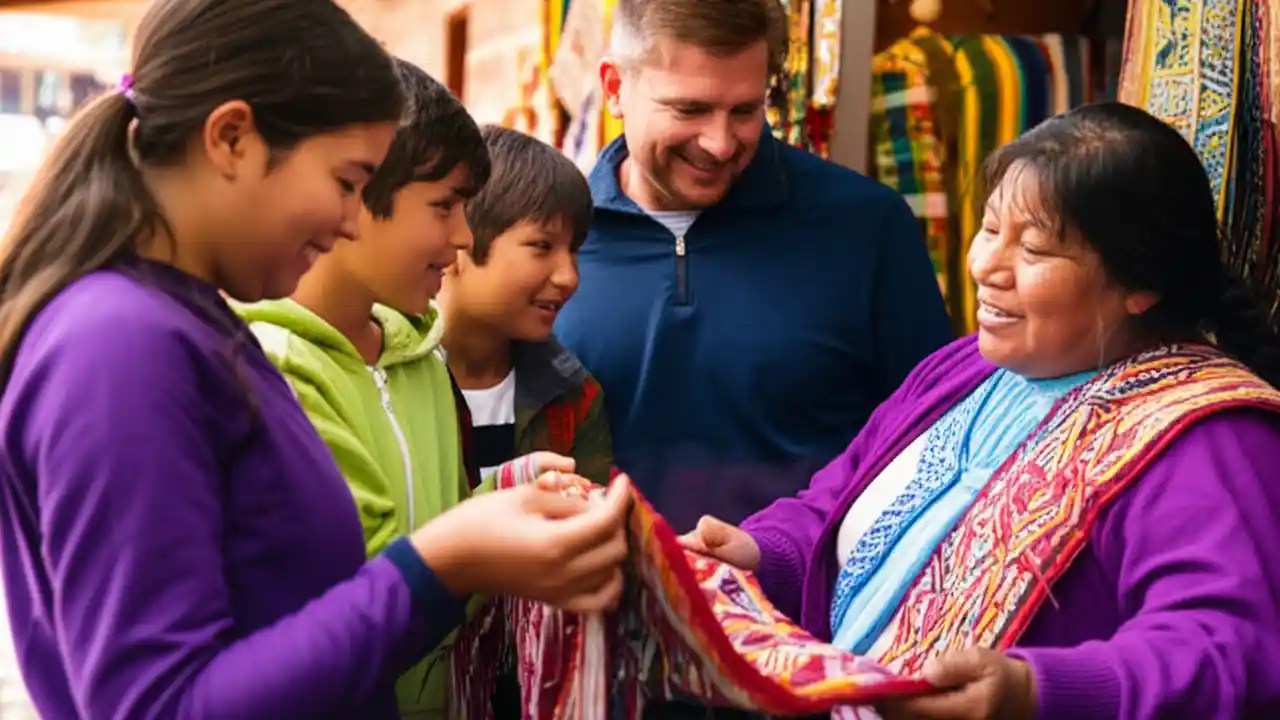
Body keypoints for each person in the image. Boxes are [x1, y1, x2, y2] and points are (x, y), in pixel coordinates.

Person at [0, 2, 630, 718]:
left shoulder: (184, 322)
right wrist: (439, 565)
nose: (354, 222)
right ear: (232, 140)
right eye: (345, 183)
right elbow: (160, 702)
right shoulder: (117, 346)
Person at [680, 102, 1280, 719]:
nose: (986, 267)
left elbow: (1228, 650)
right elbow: (834, 506)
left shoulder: (1207, 438)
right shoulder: (968, 369)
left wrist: (1037, 691)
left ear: (1140, 285)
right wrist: (757, 553)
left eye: (1037, 250)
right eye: (992, 230)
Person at [235, 61, 563, 718]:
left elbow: (436, 527)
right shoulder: (272, 371)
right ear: (353, 194)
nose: (464, 237)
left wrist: (505, 497)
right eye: (445, 206)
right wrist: (505, 542)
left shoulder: (419, 356)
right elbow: (370, 589)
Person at [553, 0, 954, 535]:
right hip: (599, 606)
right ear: (614, 88)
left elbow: (933, 445)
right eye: (690, 109)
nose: (719, 144)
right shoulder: (550, 239)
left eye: (744, 110)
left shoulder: (866, 228)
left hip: (810, 613)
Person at [438, 125, 614, 485]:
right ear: (458, 240)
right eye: (542, 246)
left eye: (574, 250)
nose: (569, 277)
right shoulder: (388, 382)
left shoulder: (572, 395)